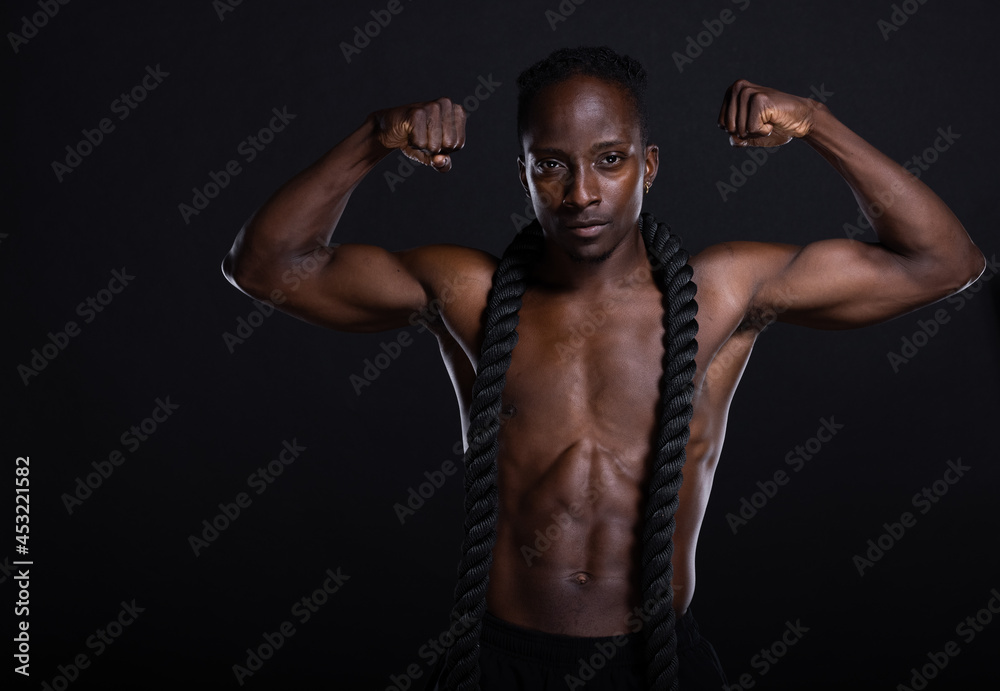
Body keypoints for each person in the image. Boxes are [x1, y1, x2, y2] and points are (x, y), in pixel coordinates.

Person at [222, 46, 985, 690]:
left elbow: (944, 261)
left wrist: (816, 123)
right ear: (521, 173)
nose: (581, 192)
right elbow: (264, 266)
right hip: (501, 662)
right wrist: (372, 138)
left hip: (658, 661)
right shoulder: (467, 293)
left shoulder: (724, 292)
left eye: (609, 160)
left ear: (648, 165)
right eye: (550, 165)